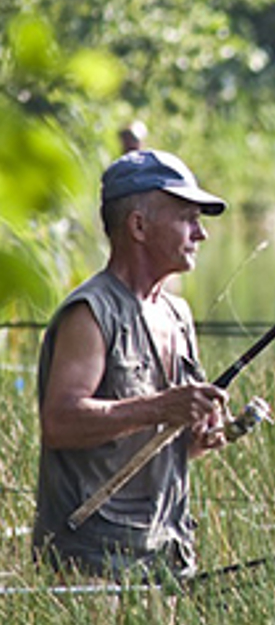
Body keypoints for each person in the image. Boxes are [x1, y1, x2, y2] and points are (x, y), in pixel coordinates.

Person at [32, 149, 230, 582]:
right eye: (187, 218)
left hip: (169, 551)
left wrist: (198, 434)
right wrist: (161, 407)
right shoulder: (90, 312)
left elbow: (162, 441)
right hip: (93, 560)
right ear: (138, 226)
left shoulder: (178, 315)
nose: (200, 234)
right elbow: (60, 422)